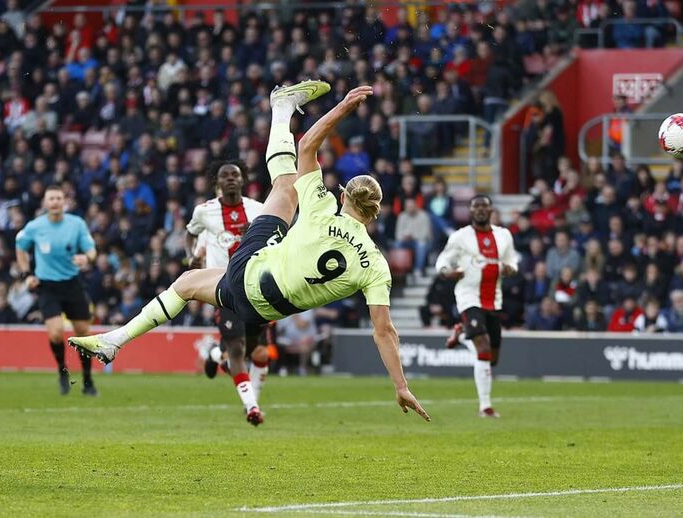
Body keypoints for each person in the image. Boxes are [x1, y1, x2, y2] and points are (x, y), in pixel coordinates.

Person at [69, 81, 431, 425]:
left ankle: (282, 105)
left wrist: (343, 107)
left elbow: (307, 147)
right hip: (263, 309)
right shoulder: (376, 266)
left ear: (343, 198)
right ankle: (113, 342)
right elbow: (384, 331)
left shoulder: (322, 208)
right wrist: (401, 386)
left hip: (249, 273)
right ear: (377, 211)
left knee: (286, 186)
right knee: (191, 282)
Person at [185, 160, 272, 414]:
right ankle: (251, 407)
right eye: (225, 176)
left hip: (253, 286)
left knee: (259, 354)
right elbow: (190, 233)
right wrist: (192, 256)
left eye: (235, 174)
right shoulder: (204, 211)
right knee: (237, 349)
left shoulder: (258, 210)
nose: (231, 178)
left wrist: (256, 233)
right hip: (223, 288)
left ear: (243, 180)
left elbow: (274, 240)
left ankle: (215, 355)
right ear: (218, 183)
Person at [437, 195, 518, 418]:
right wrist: (447, 272)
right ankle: (486, 407)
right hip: (468, 296)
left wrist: (511, 268)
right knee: (482, 348)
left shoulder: (503, 236)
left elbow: (512, 261)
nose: (480, 209)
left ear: (491, 209)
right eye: (476, 206)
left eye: (484, 205)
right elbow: (442, 261)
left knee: (492, 359)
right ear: (470, 211)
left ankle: (462, 334)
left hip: (494, 300)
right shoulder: (460, 237)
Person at [16, 185, 98, 396]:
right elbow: (20, 246)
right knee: (55, 333)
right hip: (47, 286)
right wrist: (27, 275)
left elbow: (91, 249)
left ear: (65, 202)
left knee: (83, 334)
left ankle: (88, 380)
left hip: (72, 284)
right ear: (45, 203)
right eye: (51, 198)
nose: (55, 202)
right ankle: (63, 372)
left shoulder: (76, 224)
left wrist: (86, 258)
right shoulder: (35, 227)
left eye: (58, 198)